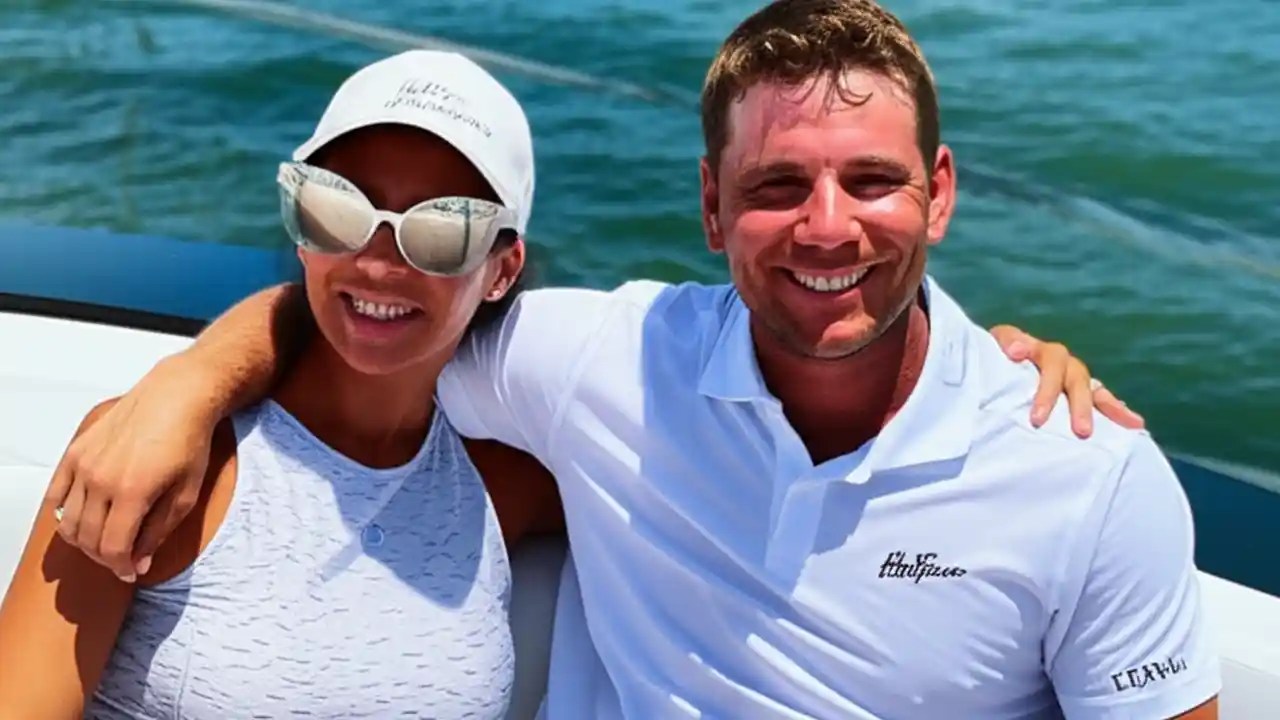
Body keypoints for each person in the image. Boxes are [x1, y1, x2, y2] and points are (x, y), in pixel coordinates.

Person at [21, 1, 1213, 718]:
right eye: (775, 186)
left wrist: (1014, 368)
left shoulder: (1078, 472)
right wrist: (182, 383)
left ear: (938, 194)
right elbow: (371, 321)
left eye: (874, 181)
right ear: (707, 204)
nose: (828, 227)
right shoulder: (600, 364)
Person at [0, 50, 564, 717]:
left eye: (443, 228)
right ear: (300, 228)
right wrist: (190, 382)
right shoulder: (157, 459)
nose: (378, 261)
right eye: (338, 208)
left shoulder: (506, 485)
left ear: (503, 270)